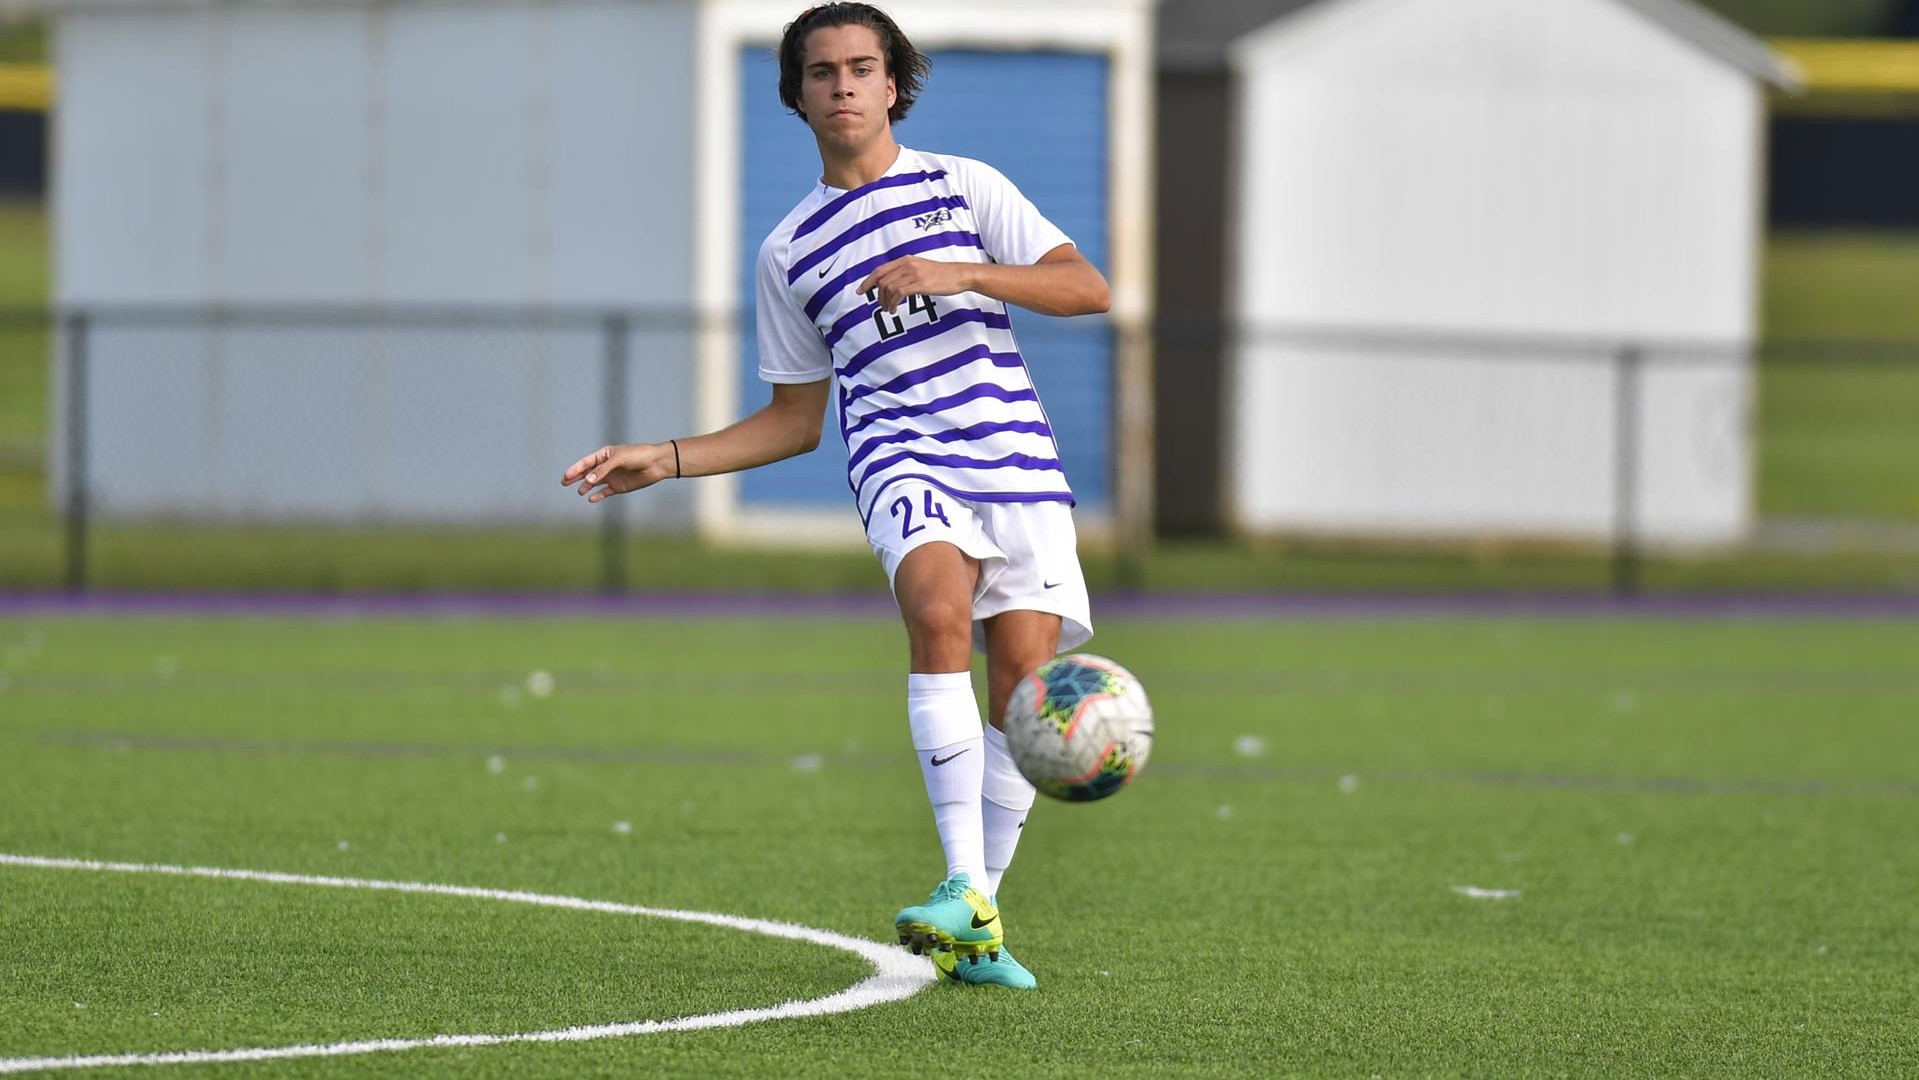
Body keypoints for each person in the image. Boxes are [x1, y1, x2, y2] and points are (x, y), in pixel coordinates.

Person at [561, 2, 1110, 991]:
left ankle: (976, 919)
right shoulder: (789, 251)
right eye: (823, 72)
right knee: (936, 611)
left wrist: (961, 272)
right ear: (798, 95)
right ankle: (960, 881)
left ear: (893, 84)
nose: (844, 85)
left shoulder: (963, 186)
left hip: (1016, 464)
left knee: (1019, 694)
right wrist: (669, 458)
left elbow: (1086, 288)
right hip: (903, 459)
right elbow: (794, 420)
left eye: (862, 67)